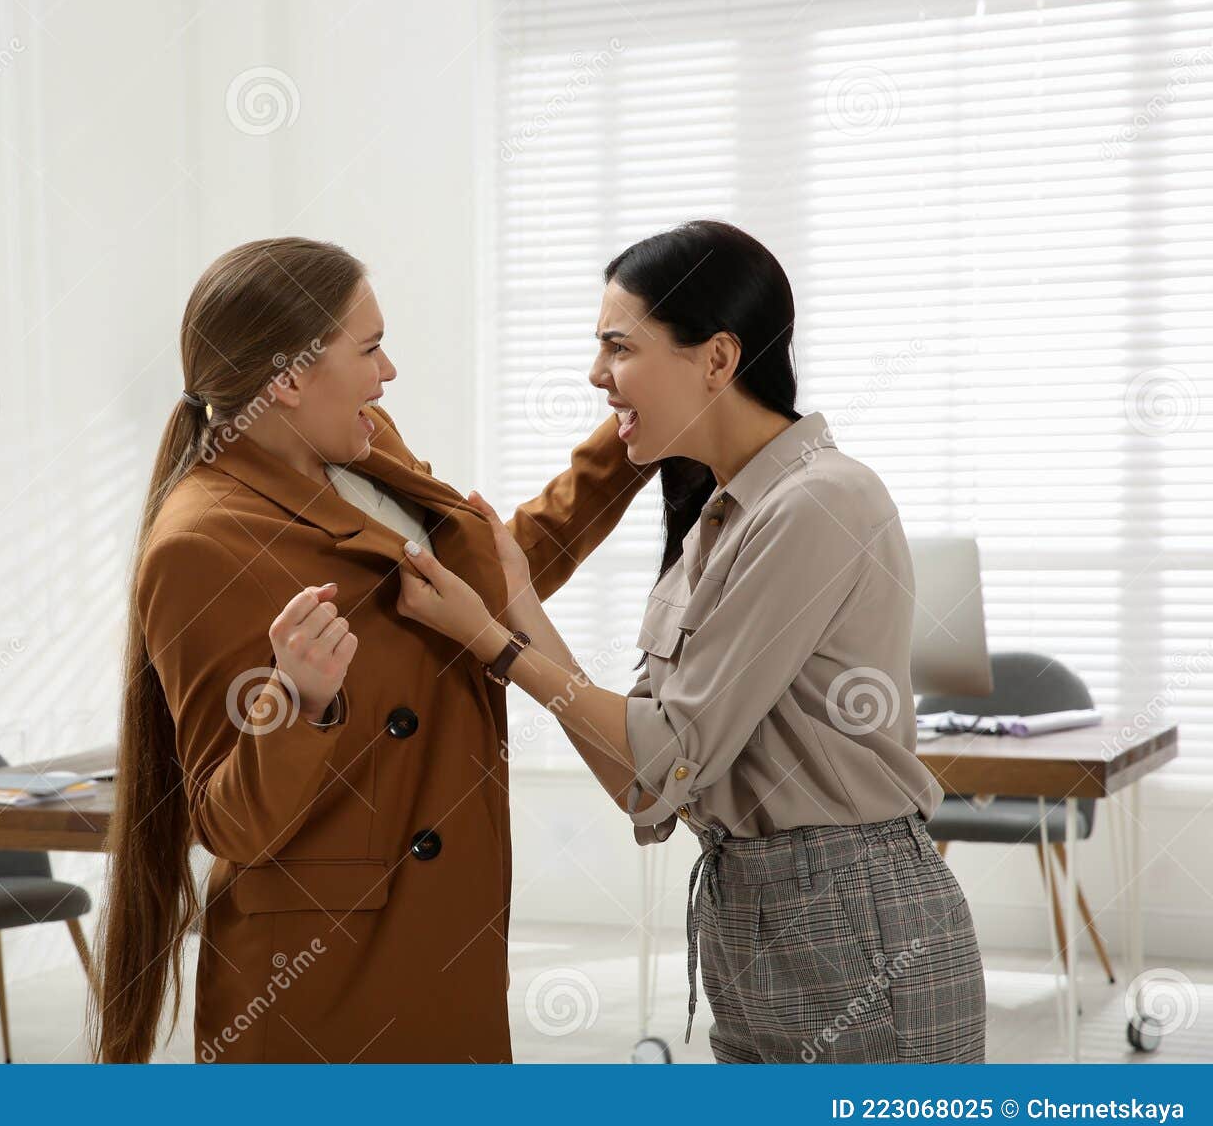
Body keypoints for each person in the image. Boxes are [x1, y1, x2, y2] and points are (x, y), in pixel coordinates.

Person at [395, 220, 988, 1063]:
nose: (598, 376)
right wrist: (519, 598)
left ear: (716, 357)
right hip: (745, 915)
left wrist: (494, 642)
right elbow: (646, 780)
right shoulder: (714, 519)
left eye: (618, 347)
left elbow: (666, 750)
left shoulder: (822, 502)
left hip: (856, 920)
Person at [94, 236, 654, 1062]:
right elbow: (224, 819)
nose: (387, 372)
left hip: (442, 927)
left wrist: (634, 438)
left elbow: (488, 576)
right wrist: (298, 702)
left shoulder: (363, 444)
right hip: (327, 980)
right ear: (286, 379)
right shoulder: (201, 540)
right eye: (369, 349)